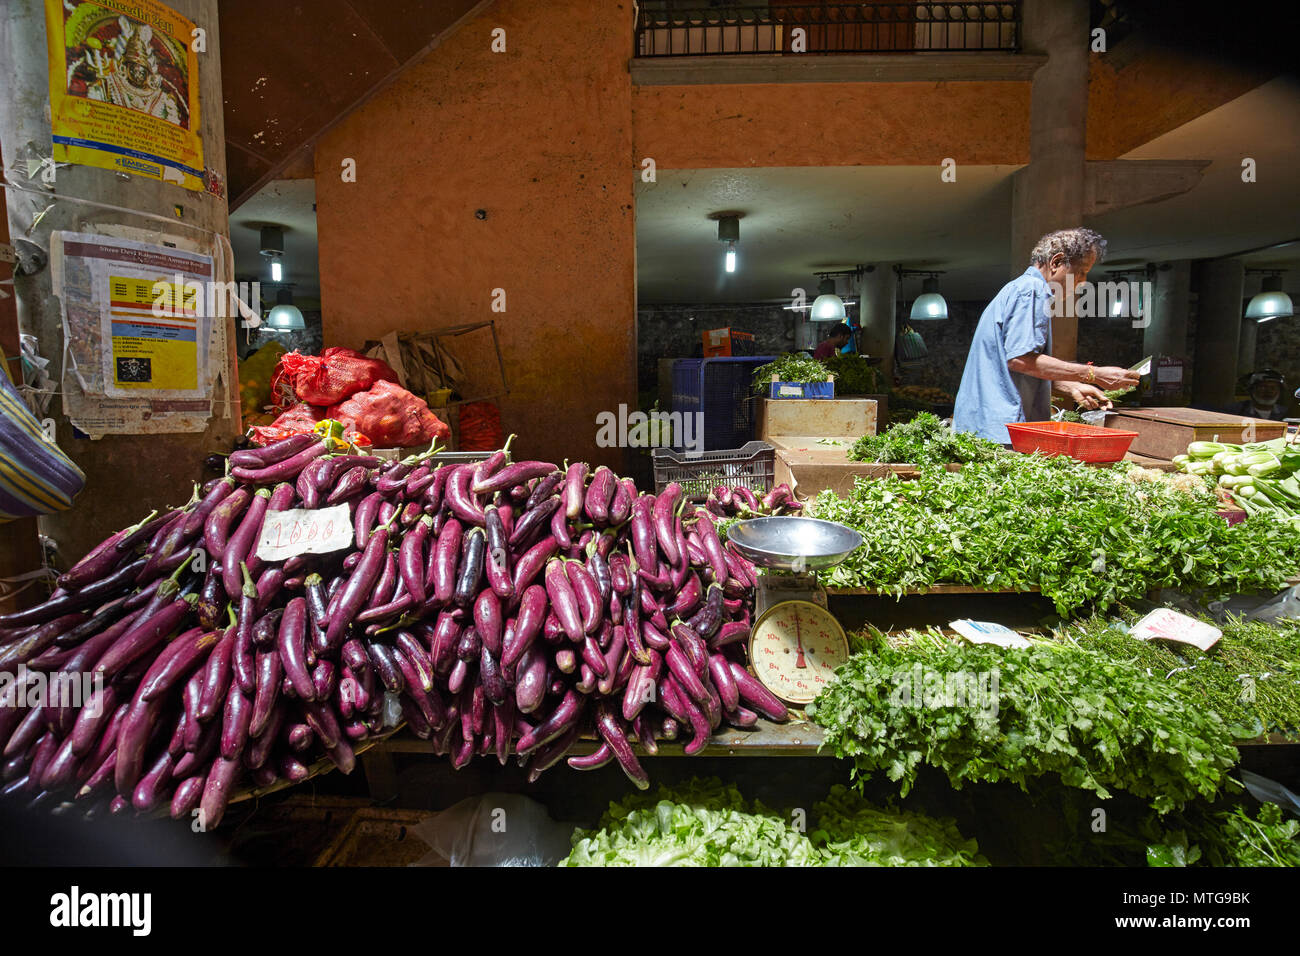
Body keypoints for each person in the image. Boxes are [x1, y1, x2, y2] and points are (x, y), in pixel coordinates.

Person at [953, 227, 1140, 444]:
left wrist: (1068, 385)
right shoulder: (1031, 291)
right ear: (1057, 262)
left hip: (984, 427)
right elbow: (1020, 360)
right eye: (1081, 272)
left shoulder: (1018, 289)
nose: (1083, 281)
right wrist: (1093, 374)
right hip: (1001, 432)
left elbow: (1008, 368)